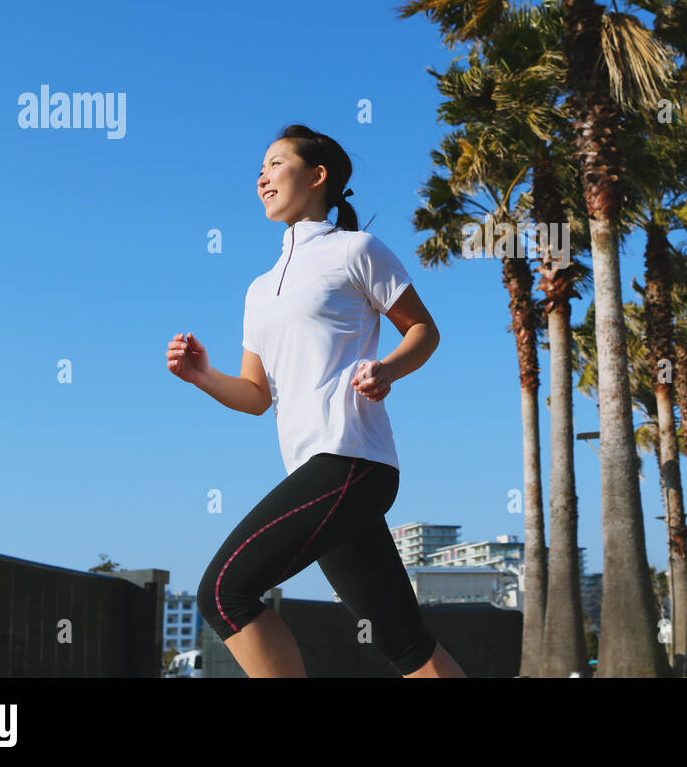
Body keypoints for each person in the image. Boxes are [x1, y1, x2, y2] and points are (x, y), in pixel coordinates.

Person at [167, 123, 465, 678]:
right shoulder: (259, 290)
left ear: (317, 176)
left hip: (353, 459)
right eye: (260, 169)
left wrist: (388, 369)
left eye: (276, 164)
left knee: (225, 592)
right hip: (316, 472)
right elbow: (256, 396)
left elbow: (423, 329)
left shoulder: (356, 250)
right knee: (404, 642)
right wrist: (202, 376)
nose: (262, 178)